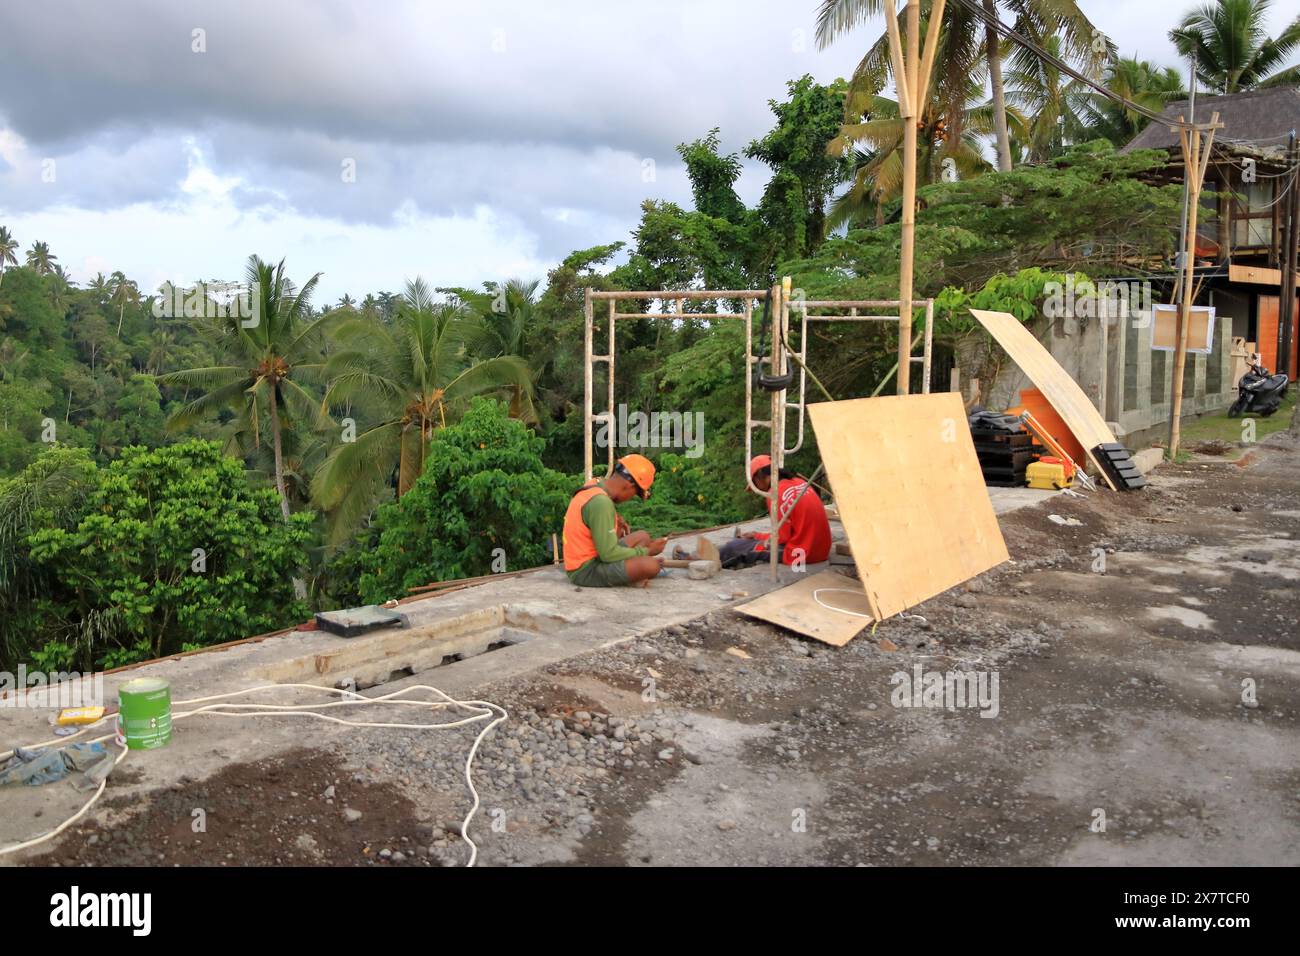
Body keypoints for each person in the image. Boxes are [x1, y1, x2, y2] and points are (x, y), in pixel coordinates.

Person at [563, 454, 667, 587]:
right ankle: (633, 572)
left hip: (597, 555)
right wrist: (647, 552)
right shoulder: (601, 503)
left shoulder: (596, 484)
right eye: (634, 494)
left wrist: (614, 521)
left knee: (643, 537)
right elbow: (608, 554)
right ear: (629, 485)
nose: (630, 498)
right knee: (651, 566)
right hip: (585, 570)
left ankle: (632, 570)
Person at [718, 454, 832, 569]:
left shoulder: (774, 493)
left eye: (755, 484)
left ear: (759, 477)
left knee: (735, 546)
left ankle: (716, 560)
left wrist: (757, 538)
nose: (758, 489)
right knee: (747, 544)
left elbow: (781, 539)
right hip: (821, 552)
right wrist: (757, 535)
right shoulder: (800, 482)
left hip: (801, 555)